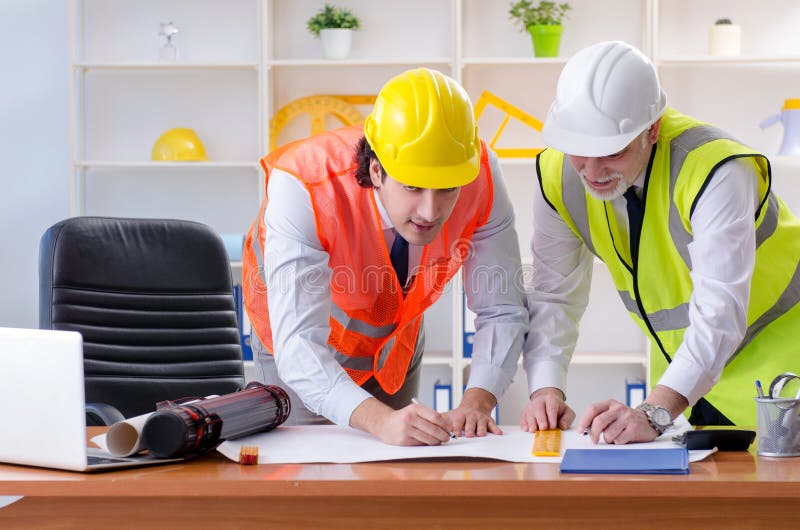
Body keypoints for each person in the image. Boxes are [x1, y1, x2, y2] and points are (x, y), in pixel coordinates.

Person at [521, 40, 800, 444]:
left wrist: (654, 412)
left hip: (783, 383)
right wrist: (546, 387)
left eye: (611, 152)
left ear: (652, 129)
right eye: (579, 149)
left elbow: (720, 312)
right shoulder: (557, 175)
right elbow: (553, 295)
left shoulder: (714, 170)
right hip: (690, 386)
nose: (592, 170)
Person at [242, 68, 528, 446]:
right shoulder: (303, 186)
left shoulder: (479, 172)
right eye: (413, 187)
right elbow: (299, 347)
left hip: (394, 344)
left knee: (396, 472)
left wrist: (478, 401)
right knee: (305, 475)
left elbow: (502, 308)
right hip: (303, 349)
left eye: (447, 190)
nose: (430, 211)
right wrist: (379, 421)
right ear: (377, 171)